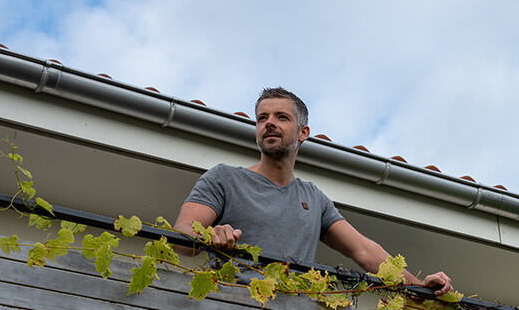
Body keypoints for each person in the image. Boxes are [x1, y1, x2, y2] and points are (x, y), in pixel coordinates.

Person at [175, 87, 453, 295]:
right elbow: (181, 235)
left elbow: (365, 251)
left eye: (281, 117)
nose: (268, 123)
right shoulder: (224, 178)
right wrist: (210, 235)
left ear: (303, 133)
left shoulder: (313, 199)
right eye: (262, 118)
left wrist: (419, 286)